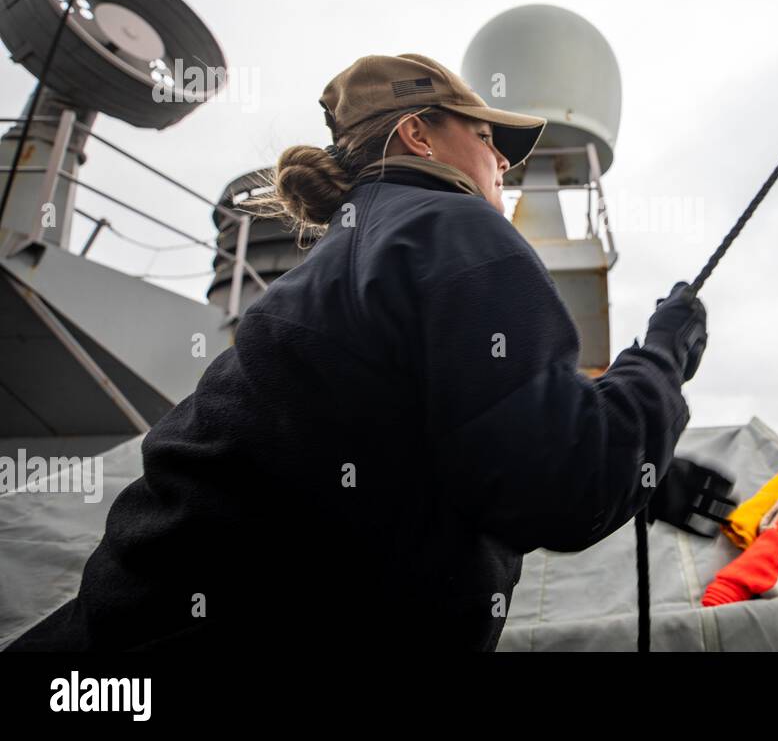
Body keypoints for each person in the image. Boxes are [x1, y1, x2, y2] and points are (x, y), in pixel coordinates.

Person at [7, 52, 708, 652]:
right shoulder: (450, 226)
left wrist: (646, 472)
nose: (502, 161)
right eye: (488, 136)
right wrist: (663, 358)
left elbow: (430, 447)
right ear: (418, 135)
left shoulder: (356, 251)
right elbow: (561, 489)